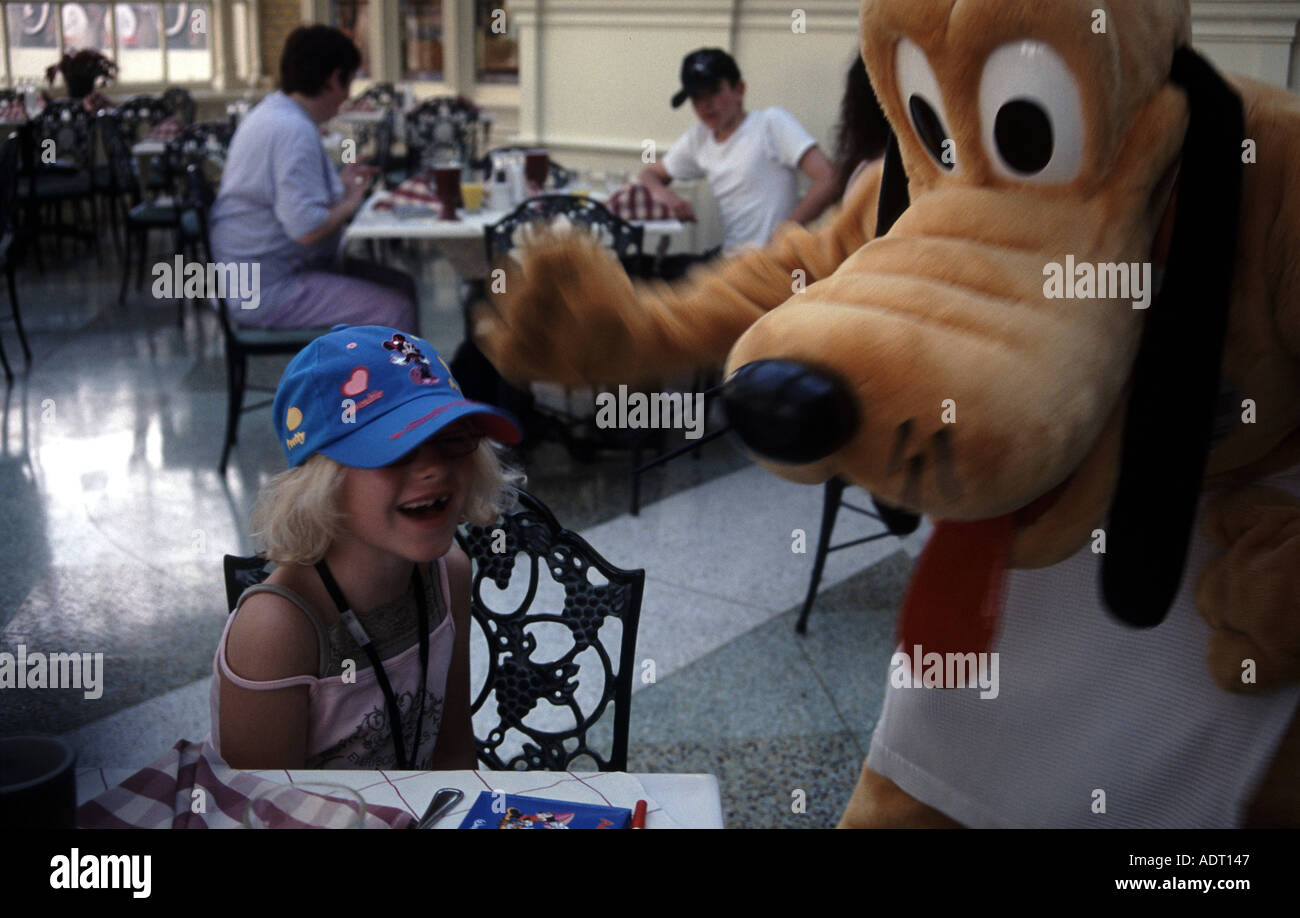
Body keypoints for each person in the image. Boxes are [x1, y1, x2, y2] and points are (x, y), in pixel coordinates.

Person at [209, 325, 524, 770]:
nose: (434, 467)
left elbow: (453, 754)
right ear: (323, 481)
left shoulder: (449, 572)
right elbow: (261, 813)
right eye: (395, 448)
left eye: (452, 438)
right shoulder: (277, 630)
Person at [209, 26, 418, 332]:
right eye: (349, 81)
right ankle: (394, 379)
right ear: (334, 79)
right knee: (395, 311)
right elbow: (306, 229)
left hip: (254, 276)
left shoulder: (273, 114)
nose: (348, 96)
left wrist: (342, 182)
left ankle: (388, 378)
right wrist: (350, 201)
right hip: (265, 289)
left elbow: (290, 197)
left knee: (402, 285)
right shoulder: (292, 131)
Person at [639, 48, 838, 254]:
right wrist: (665, 195)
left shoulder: (770, 124)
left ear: (739, 90)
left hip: (773, 264)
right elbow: (649, 174)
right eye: (696, 97)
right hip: (731, 259)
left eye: (714, 91)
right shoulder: (699, 138)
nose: (705, 105)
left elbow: (829, 178)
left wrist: (782, 237)